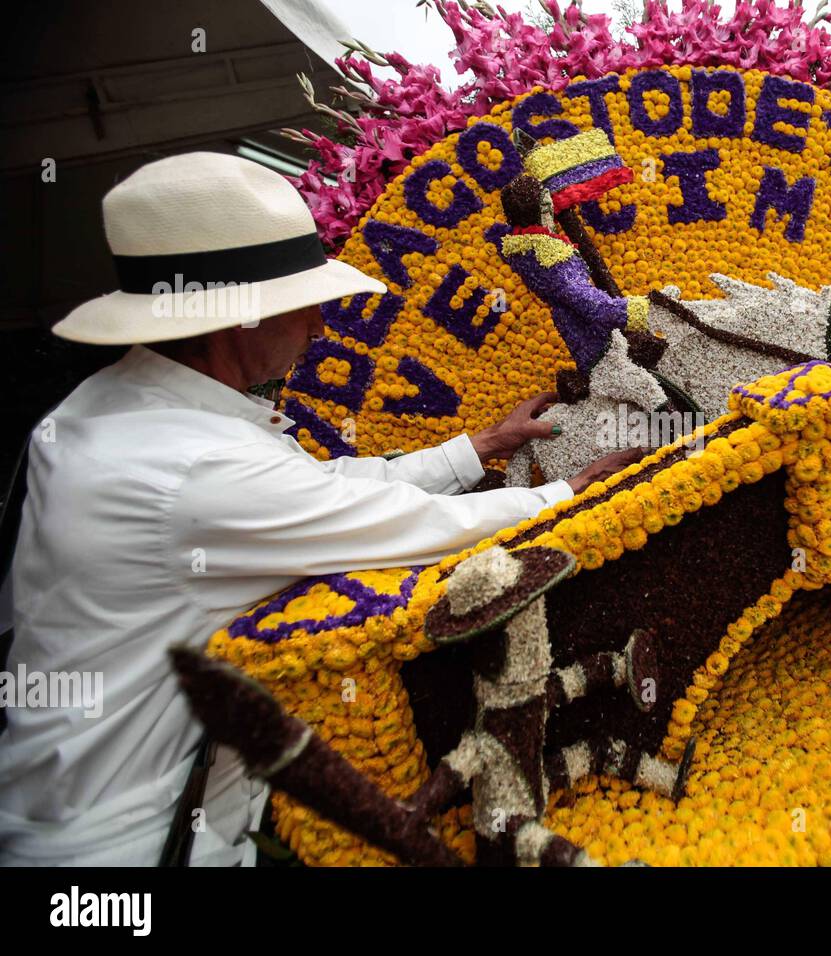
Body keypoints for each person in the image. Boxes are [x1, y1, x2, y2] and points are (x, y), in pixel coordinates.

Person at [0, 152, 641, 866]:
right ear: (238, 319)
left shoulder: (118, 408)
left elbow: (316, 487)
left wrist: (481, 445)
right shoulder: (192, 470)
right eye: (302, 300)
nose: (319, 323)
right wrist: (569, 496)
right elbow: (400, 530)